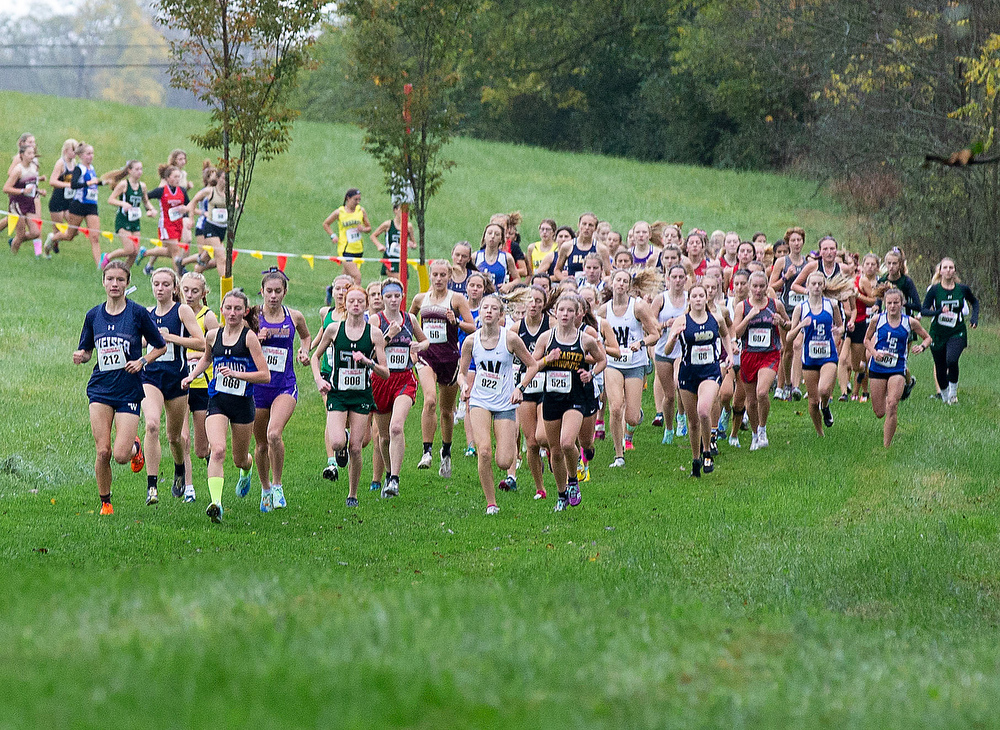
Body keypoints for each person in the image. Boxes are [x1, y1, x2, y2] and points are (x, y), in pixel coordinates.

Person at [74, 262, 166, 515]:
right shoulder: (94, 315)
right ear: (103, 282)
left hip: (128, 390)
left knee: (120, 455)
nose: (115, 284)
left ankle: (135, 448)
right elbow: (87, 349)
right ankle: (106, 502)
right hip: (100, 389)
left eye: (120, 280)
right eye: (110, 279)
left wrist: (142, 361)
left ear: (127, 283)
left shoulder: (137, 313)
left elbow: (160, 346)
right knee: (103, 450)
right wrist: (81, 356)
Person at [182, 289, 270, 523]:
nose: (232, 313)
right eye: (228, 308)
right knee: (217, 449)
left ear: (245, 311)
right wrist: (192, 376)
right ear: (221, 310)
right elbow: (207, 358)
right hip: (217, 401)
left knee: (239, 458)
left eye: (237, 309)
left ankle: (247, 469)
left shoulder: (249, 338)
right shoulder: (212, 336)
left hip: (242, 405)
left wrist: (240, 375)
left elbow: (265, 375)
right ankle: (216, 503)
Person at [310, 286, 389, 506]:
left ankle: (352, 494)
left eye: (360, 301)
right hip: (338, 392)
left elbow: (385, 371)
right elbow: (316, 357)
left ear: (365, 305)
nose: (356, 305)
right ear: (345, 303)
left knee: (357, 446)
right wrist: (319, 380)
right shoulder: (334, 330)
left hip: (361, 394)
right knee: (337, 443)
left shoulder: (374, 333)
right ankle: (341, 444)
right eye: (351, 301)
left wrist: (367, 361)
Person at [459, 294, 538, 514]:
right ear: (480, 312)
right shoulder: (471, 341)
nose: (489, 312)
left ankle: (508, 464)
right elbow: (461, 372)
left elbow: (532, 365)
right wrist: (464, 385)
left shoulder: (510, 339)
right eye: (485, 308)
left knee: (504, 461)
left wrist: (519, 388)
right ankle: (491, 503)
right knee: (483, 451)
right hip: (480, 401)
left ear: (501, 315)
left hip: (505, 402)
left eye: (494, 309)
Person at [534, 293, 606, 511]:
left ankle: (573, 480)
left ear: (577, 315)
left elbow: (602, 360)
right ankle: (561, 493)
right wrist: (547, 359)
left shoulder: (585, 339)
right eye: (561, 310)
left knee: (567, 443)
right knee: (555, 450)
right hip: (552, 397)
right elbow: (534, 362)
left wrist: (591, 374)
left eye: (569, 311)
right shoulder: (546, 338)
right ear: (555, 312)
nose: (565, 314)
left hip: (576, 397)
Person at [140, 269, 204, 505]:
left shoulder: (182, 311)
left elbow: (200, 342)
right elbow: (138, 343)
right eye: (156, 284)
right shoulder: (145, 313)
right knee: (152, 425)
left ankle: (179, 469)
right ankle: (152, 486)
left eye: (165, 284)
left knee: (175, 437)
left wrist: (170, 338)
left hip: (177, 379)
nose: (160, 289)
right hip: (151, 378)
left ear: (174, 288)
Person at [409, 259, 475, 475]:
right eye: (435, 275)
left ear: (449, 276)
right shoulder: (420, 299)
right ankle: (426, 451)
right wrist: (412, 346)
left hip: (450, 359)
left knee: (447, 411)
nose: (438, 279)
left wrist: (456, 321)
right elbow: (408, 321)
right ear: (430, 275)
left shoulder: (456, 299)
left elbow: (472, 327)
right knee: (429, 401)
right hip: (427, 357)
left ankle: (445, 452)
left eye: (442, 275)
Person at [253, 269, 312, 512]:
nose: (274, 296)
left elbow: (306, 337)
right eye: (269, 291)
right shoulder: (252, 316)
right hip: (257, 387)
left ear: (285, 292)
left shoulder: (294, 316)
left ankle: (278, 485)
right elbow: (237, 342)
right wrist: (257, 337)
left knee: (274, 434)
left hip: (284, 385)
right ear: (262, 292)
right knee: (260, 445)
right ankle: (265, 488)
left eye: (278, 291)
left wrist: (304, 351)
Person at [662, 284, 734, 476]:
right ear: (690, 300)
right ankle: (695, 460)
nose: (698, 299)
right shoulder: (681, 321)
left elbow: (726, 335)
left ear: (706, 298)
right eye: (694, 296)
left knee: (704, 411)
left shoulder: (715, 319)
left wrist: (730, 355)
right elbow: (667, 350)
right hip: (688, 373)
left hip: (710, 372)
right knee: (692, 421)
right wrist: (674, 338)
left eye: (701, 295)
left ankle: (707, 452)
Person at [597, 269, 661, 467]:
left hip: (634, 364)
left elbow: (655, 334)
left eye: (625, 281)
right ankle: (618, 455)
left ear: (629, 285)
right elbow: (596, 338)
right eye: (618, 280)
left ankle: (637, 413)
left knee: (631, 418)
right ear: (612, 283)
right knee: (615, 408)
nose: (621, 284)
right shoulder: (603, 311)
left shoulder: (638, 307)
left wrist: (640, 343)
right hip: (613, 364)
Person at [372, 278, 428, 497]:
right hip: (381, 380)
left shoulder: (409, 319)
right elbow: (369, 352)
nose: (393, 300)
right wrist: (388, 336)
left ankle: (395, 478)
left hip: (404, 379)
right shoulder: (376, 321)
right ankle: (387, 473)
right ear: (382, 298)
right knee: (384, 437)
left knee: (396, 427)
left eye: (397, 296)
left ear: (402, 296)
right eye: (388, 296)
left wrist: (419, 345)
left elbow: (425, 341)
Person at [865, 288, 932, 447]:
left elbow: (927, 337)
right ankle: (892, 393)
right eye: (889, 303)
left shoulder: (910, 322)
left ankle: (886, 446)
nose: (893, 306)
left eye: (896, 303)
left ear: (902, 303)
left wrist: (922, 347)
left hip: (897, 368)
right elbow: (866, 340)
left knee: (893, 405)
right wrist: (874, 353)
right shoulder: (877, 320)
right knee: (879, 412)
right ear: (885, 304)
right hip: (878, 367)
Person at [731, 271, 789, 451]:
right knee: (751, 400)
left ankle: (762, 429)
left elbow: (789, 324)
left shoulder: (775, 304)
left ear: (766, 287)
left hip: (769, 354)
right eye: (754, 286)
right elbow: (736, 333)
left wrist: (781, 322)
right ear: (749, 287)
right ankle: (755, 434)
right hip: (748, 355)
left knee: (762, 392)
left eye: (761, 286)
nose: (758, 290)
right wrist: (749, 318)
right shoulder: (742, 307)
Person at [785, 272, 843, 436]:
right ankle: (820, 433)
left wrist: (838, 331)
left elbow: (841, 326)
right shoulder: (800, 308)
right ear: (807, 287)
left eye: (819, 284)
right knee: (812, 400)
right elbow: (790, 337)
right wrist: (800, 326)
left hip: (828, 355)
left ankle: (825, 407)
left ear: (824, 286)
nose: (817, 287)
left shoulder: (832, 305)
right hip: (809, 357)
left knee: (824, 390)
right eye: (813, 284)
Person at [178, 271, 218, 502]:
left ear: (203, 293)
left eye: (195, 291)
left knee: (201, 449)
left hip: (203, 384)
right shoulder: (176, 315)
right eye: (186, 290)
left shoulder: (208, 317)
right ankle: (189, 487)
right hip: (181, 383)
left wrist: (197, 356)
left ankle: (214, 457)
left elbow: (216, 348)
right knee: (182, 437)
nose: (190, 295)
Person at [922, 257, 978, 404]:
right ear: (940, 271)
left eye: (951, 267)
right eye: (945, 268)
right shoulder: (934, 290)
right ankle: (945, 396)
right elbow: (924, 310)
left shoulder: (962, 289)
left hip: (956, 331)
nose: (948, 270)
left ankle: (953, 395)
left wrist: (974, 318)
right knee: (940, 365)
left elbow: (974, 302)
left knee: (951, 360)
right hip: (938, 333)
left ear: (954, 270)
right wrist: (938, 311)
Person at [314, 273, 353, 480]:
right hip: (328, 371)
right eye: (337, 289)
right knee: (331, 414)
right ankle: (331, 464)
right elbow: (323, 334)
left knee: (344, 421)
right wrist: (308, 349)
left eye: (345, 289)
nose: (341, 293)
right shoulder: (325, 312)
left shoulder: (355, 315)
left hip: (347, 373)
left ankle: (344, 438)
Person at [514, 286, 550, 499]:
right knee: (532, 442)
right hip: (526, 386)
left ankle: (558, 459)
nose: (534, 304)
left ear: (544, 303)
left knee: (544, 437)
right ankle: (540, 488)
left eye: (538, 300)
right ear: (524, 303)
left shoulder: (552, 325)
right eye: (530, 300)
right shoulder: (516, 329)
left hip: (548, 386)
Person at [44, 142, 103, 267]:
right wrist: (88, 183)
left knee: (95, 237)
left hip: (92, 205)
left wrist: (103, 182)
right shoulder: (79, 169)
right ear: (81, 155)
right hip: (78, 205)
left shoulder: (92, 168)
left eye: (92, 153)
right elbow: (74, 185)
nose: (91, 156)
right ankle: (52, 238)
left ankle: (100, 267)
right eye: (88, 154)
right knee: (70, 235)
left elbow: (93, 184)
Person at [769, 227, 808, 400]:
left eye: (799, 240)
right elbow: (771, 287)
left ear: (803, 242)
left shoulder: (809, 263)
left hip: (802, 310)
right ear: (788, 242)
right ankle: (782, 385)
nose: (796, 243)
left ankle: (795, 386)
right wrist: (786, 277)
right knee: (787, 348)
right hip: (786, 309)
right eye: (793, 240)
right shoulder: (781, 262)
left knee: (798, 344)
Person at [102, 160, 157, 269]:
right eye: (137, 169)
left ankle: (124, 273)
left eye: (141, 169)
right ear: (129, 170)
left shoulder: (143, 186)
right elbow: (111, 199)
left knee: (135, 252)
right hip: (123, 219)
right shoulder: (124, 185)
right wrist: (123, 204)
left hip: (135, 220)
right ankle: (108, 256)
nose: (139, 172)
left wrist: (151, 210)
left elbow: (146, 202)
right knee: (128, 249)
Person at [139, 165, 190, 275]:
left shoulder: (182, 191)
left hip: (178, 224)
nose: (177, 179)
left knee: (170, 252)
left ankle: (145, 253)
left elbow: (189, 205)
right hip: (166, 225)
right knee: (176, 252)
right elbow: (145, 197)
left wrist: (185, 210)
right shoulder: (161, 191)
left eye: (179, 177)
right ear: (167, 178)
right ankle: (178, 279)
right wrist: (150, 209)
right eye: (175, 177)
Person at [323, 188, 371, 284]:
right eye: (355, 199)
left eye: (359, 200)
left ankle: (331, 289)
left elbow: (369, 227)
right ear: (348, 198)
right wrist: (333, 236)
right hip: (345, 250)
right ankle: (357, 297)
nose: (357, 202)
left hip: (358, 248)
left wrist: (363, 229)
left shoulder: (361, 211)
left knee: (345, 278)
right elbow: (326, 224)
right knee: (357, 277)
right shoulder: (340, 212)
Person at [4, 143, 44, 255]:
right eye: (29, 153)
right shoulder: (18, 170)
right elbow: (6, 188)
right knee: (20, 234)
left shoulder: (34, 167)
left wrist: (39, 191)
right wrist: (22, 191)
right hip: (17, 204)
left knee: (35, 232)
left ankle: (14, 241)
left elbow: (31, 184)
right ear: (22, 155)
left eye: (33, 153)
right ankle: (13, 256)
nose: (32, 156)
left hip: (29, 203)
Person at [553, 213, 611, 281]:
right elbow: (557, 270)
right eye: (584, 224)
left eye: (590, 225)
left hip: (593, 288)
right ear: (579, 225)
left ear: (595, 228)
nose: (586, 228)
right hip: (573, 288)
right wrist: (566, 280)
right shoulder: (567, 246)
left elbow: (609, 273)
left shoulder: (601, 249)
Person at [46, 138, 78, 246]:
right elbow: (52, 181)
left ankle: (52, 240)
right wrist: (68, 185)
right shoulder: (61, 163)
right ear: (66, 151)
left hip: (69, 202)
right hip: (58, 200)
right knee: (58, 229)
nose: (75, 153)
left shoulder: (74, 163)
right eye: (73, 150)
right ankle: (50, 248)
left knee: (74, 230)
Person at [370, 204, 416, 276]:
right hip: (390, 257)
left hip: (402, 258)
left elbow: (414, 243)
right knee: (397, 281)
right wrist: (379, 245)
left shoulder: (409, 226)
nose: (404, 213)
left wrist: (412, 245)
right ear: (395, 210)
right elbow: (373, 236)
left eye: (406, 211)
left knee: (403, 284)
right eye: (401, 210)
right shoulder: (388, 224)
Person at [475, 222, 520, 292]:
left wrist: (508, 285)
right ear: (484, 236)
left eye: (497, 234)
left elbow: (517, 279)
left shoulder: (506, 258)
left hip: (498, 297)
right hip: (480, 298)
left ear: (501, 239)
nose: (492, 236)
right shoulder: (475, 257)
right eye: (490, 233)